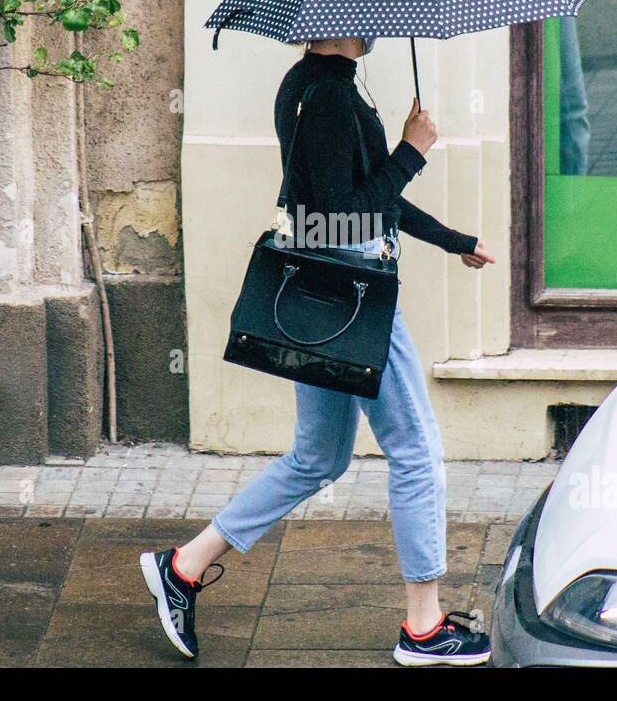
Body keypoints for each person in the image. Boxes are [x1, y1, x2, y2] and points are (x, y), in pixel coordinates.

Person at [140, 36, 496, 666]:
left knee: (318, 459)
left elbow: (361, 196)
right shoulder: (330, 97)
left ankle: (183, 566)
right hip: (353, 291)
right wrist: (411, 152)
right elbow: (346, 212)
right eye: (364, 18)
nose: (375, 29)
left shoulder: (305, 85)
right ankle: (424, 627)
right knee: (416, 449)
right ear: (334, 23)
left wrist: (450, 238)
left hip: (322, 290)